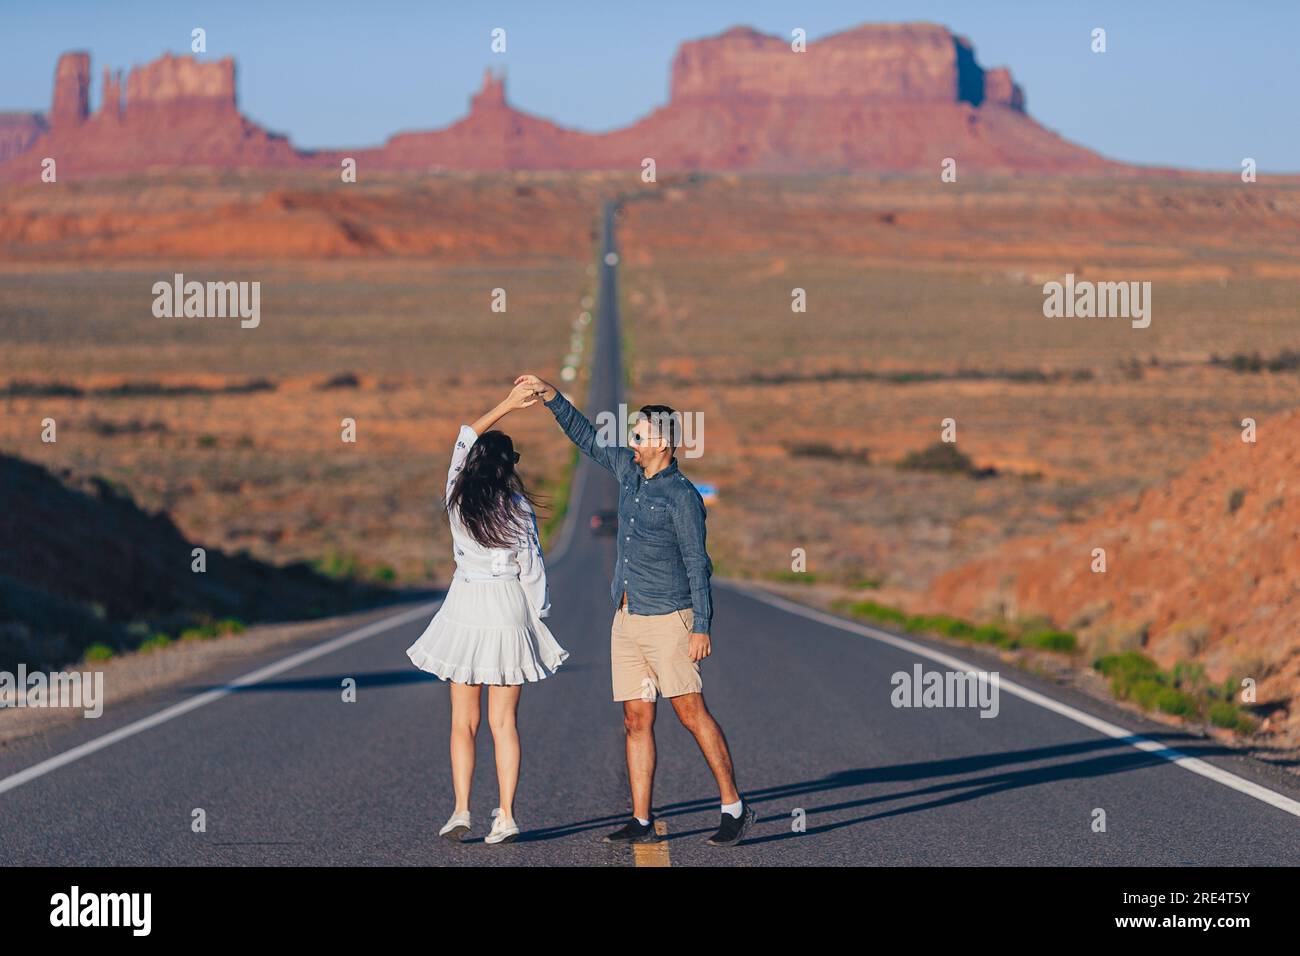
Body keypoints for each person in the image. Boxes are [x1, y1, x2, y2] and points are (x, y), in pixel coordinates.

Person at [514, 373, 756, 847]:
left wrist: (701, 626)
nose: (632, 441)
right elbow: (588, 439)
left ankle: (734, 807)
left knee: (690, 713)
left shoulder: (682, 496)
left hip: (670, 618)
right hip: (625, 619)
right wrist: (551, 398)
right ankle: (641, 821)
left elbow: (697, 563)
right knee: (635, 720)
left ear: (663, 443)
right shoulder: (629, 471)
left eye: (640, 435)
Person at [405, 382, 568, 845]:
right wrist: (538, 614)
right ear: (509, 467)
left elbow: (463, 436)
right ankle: (508, 816)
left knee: (463, 722)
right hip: (507, 611)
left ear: (473, 463)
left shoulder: (457, 499)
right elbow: (533, 570)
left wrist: (507, 405)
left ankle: (461, 810)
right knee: (504, 723)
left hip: (465, 607)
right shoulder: (517, 508)